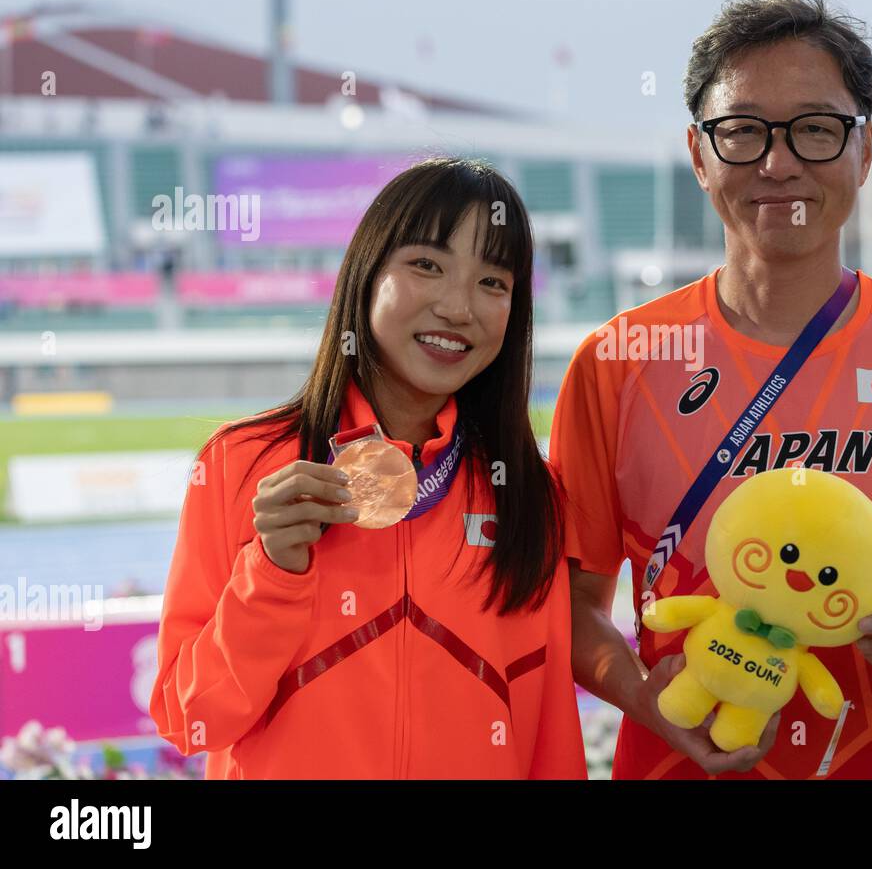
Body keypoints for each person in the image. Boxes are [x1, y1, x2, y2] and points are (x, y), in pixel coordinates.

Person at [552, 0, 872, 779]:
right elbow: (576, 608)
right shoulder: (616, 363)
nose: (778, 162)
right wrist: (648, 699)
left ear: (863, 150)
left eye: (816, 131)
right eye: (743, 131)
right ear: (697, 153)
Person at [150, 158, 586, 779]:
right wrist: (271, 575)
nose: (459, 308)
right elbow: (189, 717)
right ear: (367, 273)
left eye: (494, 282)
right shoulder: (241, 464)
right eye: (427, 265)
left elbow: (550, 735)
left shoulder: (525, 492)